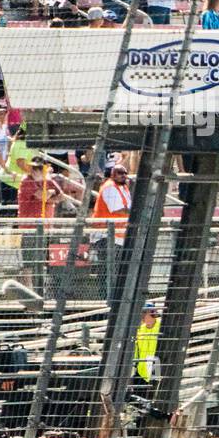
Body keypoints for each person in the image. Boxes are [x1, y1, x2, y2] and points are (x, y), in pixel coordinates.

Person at [90, 161, 132, 303]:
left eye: (125, 173)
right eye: (120, 173)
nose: (124, 176)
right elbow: (118, 209)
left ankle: (114, 298)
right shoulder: (109, 187)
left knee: (116, 269)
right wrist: (137, 211)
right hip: (105, 235)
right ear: (113, 174)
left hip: (118, 236)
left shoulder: (125, 188)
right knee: (107, 269)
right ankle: (106, 299)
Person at [133, 303, 161, 388]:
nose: (142, 316)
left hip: (156, 365)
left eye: (145, 313)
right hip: (141, 369)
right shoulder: (140, 329)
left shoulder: (162, 326)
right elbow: (136, 349)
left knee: (153, 395)